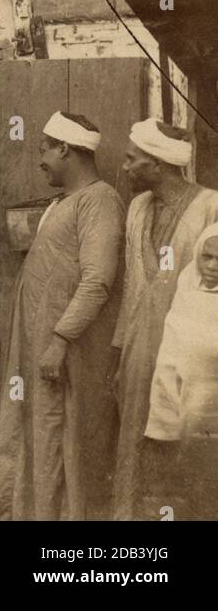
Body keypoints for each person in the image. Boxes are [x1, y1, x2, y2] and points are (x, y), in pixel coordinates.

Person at [0, 112, 124, 519]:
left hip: (64, 352)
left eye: (45, 149)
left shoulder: (99, 200)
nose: (40, 159)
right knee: (39, 433)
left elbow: (98, 279)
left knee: (59, 436)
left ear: (66, 148)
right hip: (42, 350)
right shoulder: (64, 201)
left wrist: (61, 339)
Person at [113, 118, 218, 518]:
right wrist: (118, 350)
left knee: (189, 447)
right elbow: (131, 286)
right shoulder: (137, 208)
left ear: (157, 164)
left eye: (131, 160)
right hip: (141, 350)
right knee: (138, 438)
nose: (124, 167)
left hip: (195, 354)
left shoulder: (211, 206)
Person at [142, 225, 218, 518]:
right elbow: (169, 362)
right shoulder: (187, 293)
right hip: (190, 428)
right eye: (206, 257)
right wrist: (165, 423)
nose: (211, 267)